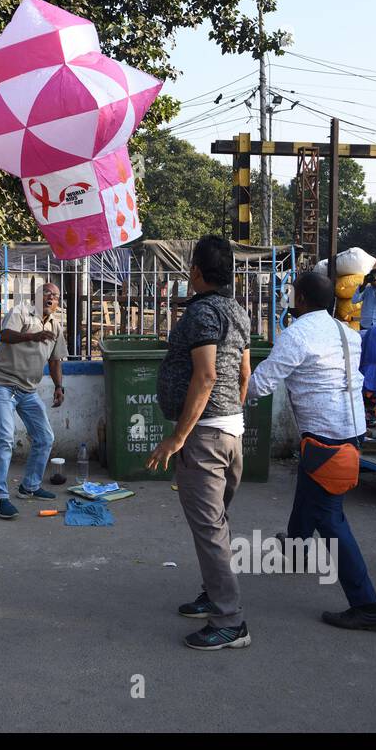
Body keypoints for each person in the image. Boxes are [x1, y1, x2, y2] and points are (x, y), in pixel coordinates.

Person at [248, 271, 376, 632]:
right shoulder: (346, 331)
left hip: (326, 437)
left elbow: (262, 384)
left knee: (330, 519)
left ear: (301, 299)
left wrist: (218, 389)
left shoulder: (298, 334)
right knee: (308, 487)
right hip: (350, 430)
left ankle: (368, 607)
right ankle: (296, 550)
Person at [146, 236, 252, 651]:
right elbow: (243, 373)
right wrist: (232, 418)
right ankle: (214, 593)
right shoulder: (237, 311)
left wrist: (178, 437)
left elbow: (206, 375)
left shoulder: (203, 312)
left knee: (210, 529)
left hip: (205, 436)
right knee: (216, 524)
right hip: (230, 432)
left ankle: (230, 622)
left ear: (194, 272)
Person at [0, 282, 66, 520]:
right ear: (37, 296)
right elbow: (6, 336)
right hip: (2, 385)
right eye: (47, 293)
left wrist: (59, 387)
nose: (51, 297)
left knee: (45, 437)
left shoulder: (56, 326)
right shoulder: (21, 311)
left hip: (27, 391)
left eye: (56, 295)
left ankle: (29, 486)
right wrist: (33, 335)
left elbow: (55, 361)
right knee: (5, 438)